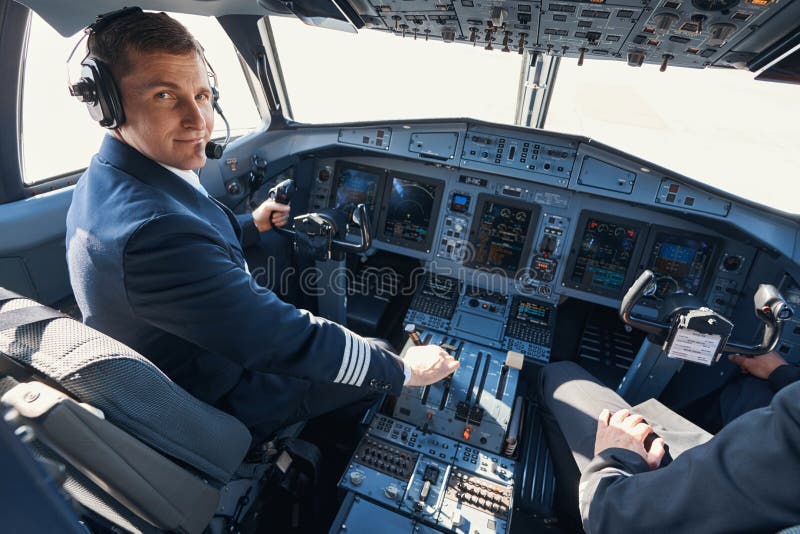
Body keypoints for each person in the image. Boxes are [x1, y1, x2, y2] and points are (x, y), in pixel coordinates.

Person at [65, 9, 458, 442]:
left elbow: (194, 243)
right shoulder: (153, 232)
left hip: (182, 360)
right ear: (108, 105)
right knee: (375, 365)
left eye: (202, 94)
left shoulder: (111, 178)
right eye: (164, 95)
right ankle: (325, 459)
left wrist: (251, 225)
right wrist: (403, 369)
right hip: (214, 398)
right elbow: (282, 338)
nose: (198, 121)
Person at [539, 351, 800, 533]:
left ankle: (566, 520)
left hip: (623, 514)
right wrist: (783, 373)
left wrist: (615, 458)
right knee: (750, 388)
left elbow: (615, 517)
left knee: (561, 377)